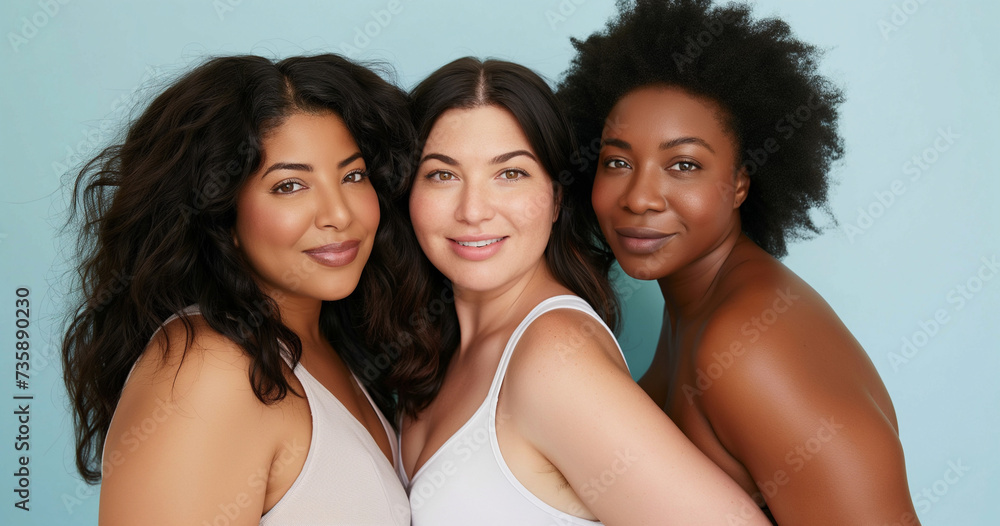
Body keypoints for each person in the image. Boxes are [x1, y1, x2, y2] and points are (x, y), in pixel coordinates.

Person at [557, 1, 920, 524]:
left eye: (683, 165)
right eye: (617, 161)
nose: (639, 197)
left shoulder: (747, 340)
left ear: (741, 184)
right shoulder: (694, 304)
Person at [388, 57, 769, 525]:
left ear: (556, 199)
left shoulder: (554, 358)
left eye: (510, 174)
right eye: (442, 174)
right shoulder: (433, 346)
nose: (473, 211)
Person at [60, 54, 424, 525]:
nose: (339, 213)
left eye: (353, 176)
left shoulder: (330, 345)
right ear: (220, 213)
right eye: (290, 185)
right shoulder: (207, 370)